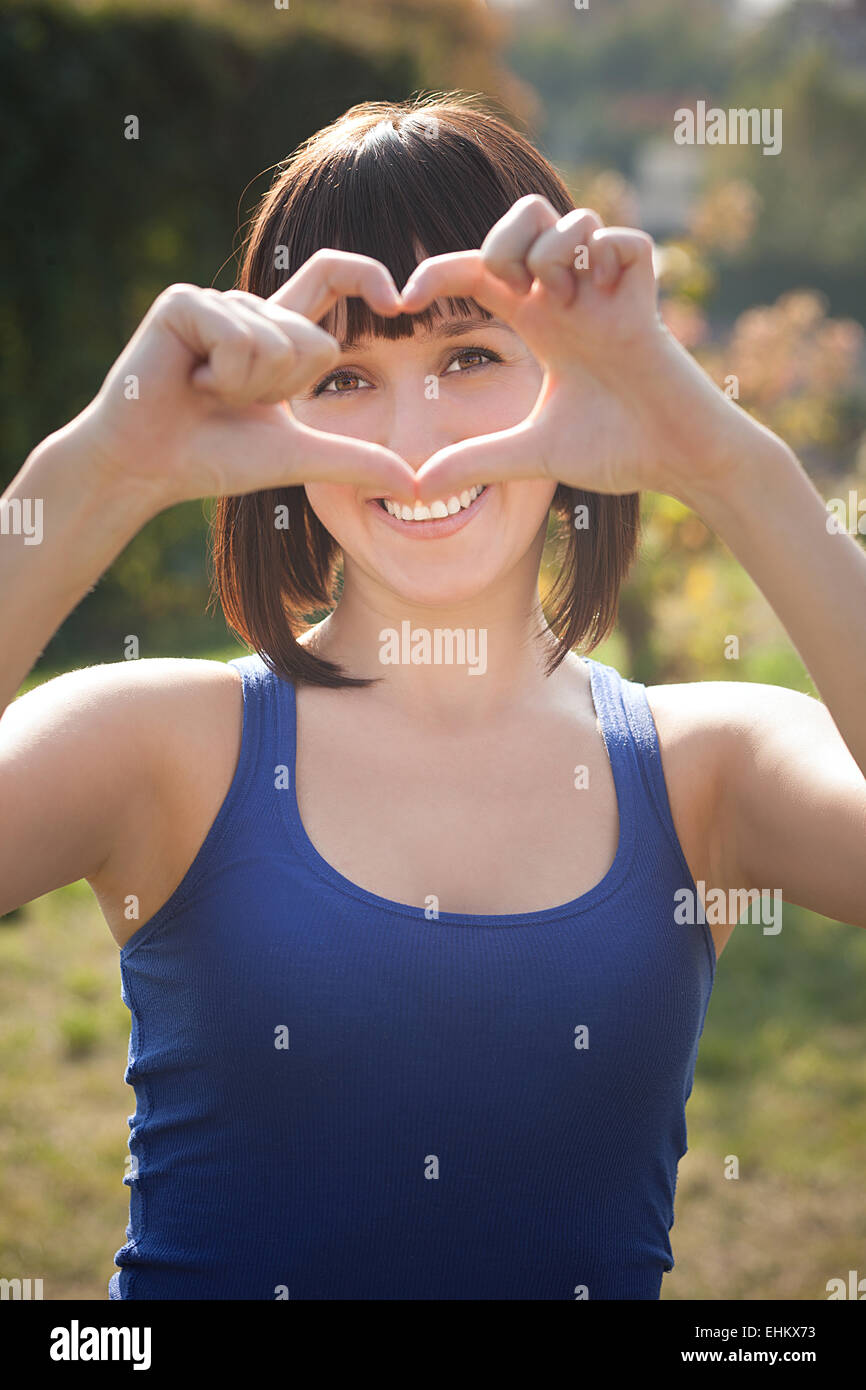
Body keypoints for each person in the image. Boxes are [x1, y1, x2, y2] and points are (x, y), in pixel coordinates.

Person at [0, 94, 863, 1301]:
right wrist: (100, 467)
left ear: (559, 373)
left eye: (468, 358)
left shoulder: (703, 766)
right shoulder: (158, 745)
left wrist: (725, 460)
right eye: (347, 376)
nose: (415, 436)